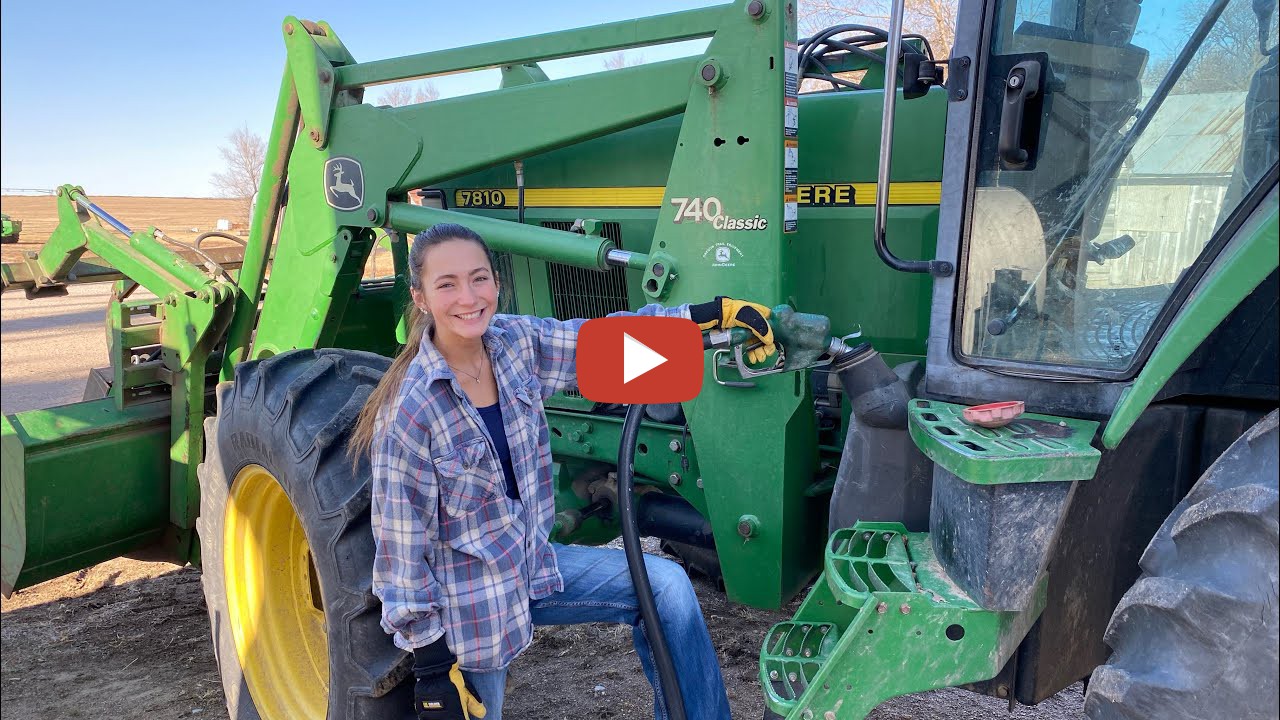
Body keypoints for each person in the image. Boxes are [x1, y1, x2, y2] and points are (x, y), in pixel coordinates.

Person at [350, 223, 777, 720]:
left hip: (534, 566)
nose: (468, 297)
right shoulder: (410, 409)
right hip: (471, 610)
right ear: (421, 298)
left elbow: (610, 341)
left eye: (479, 278)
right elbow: (400, 552)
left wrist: (708, 318)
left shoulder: (515, 344)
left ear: (496, 283)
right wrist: (429, 663)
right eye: (447, 284)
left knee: (668, 588)